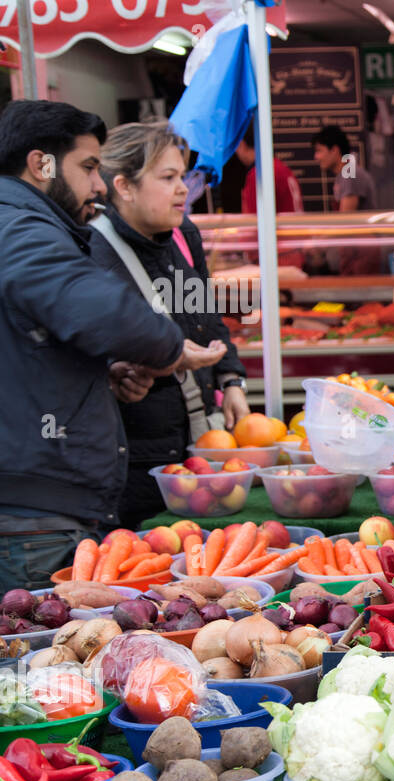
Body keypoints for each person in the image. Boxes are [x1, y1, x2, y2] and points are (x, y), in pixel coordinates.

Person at [0, 101, 226, 589]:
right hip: (33, 510)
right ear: (40, 164)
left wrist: (103, 373)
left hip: (42, 502)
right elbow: (87, 305)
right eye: (87, 168)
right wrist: (169, 348)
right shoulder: (19, 226)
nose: (97, 184)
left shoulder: (25, 225)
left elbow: (25, 349)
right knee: (36, 655)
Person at [88, 121, 251, 530]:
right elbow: (85, 341)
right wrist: (115, 373)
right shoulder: (92, 249)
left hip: (197, 439)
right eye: (168, 178)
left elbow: (206, 312)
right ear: (124, 187)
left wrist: (231, 378)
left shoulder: (182, 234)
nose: (184, 189)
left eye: (183, 176)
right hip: (135, 454)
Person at [235, 122, 304, 215]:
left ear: (241, 144)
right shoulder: (280, 167)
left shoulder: (259, 174)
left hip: (279, 229)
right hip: (293, 227)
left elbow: (253, 221)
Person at [312, 124, 375, 213]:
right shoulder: (346, 174)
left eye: (319, 151)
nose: (316, 157)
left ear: (334, 150)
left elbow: (345, 221)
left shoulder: (349, 174)